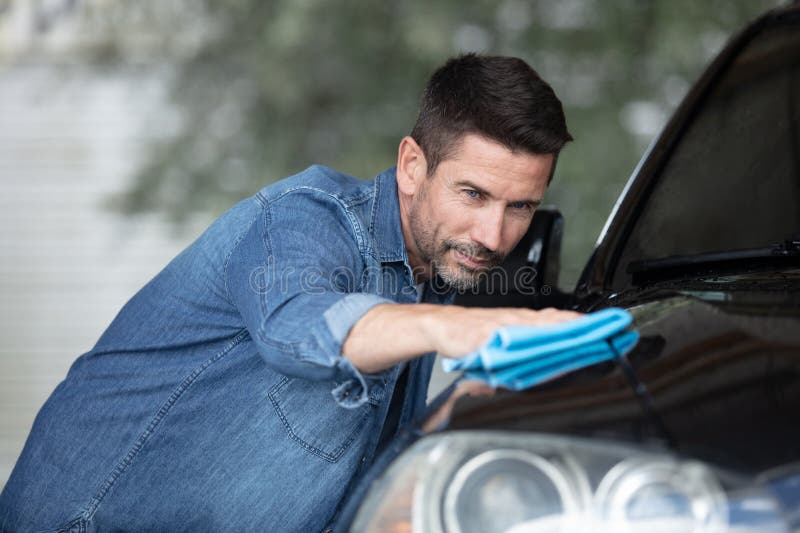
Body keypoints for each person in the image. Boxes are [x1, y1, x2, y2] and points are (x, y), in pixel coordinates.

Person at [0, 53, 576, 532]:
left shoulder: (439, 267)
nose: (493, 235)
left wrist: (475, 400)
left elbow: (371, 478)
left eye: (519, 206)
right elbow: (297, 325)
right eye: (472, 194)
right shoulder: (303, 219)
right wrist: (452, 328)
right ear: (410, 166)